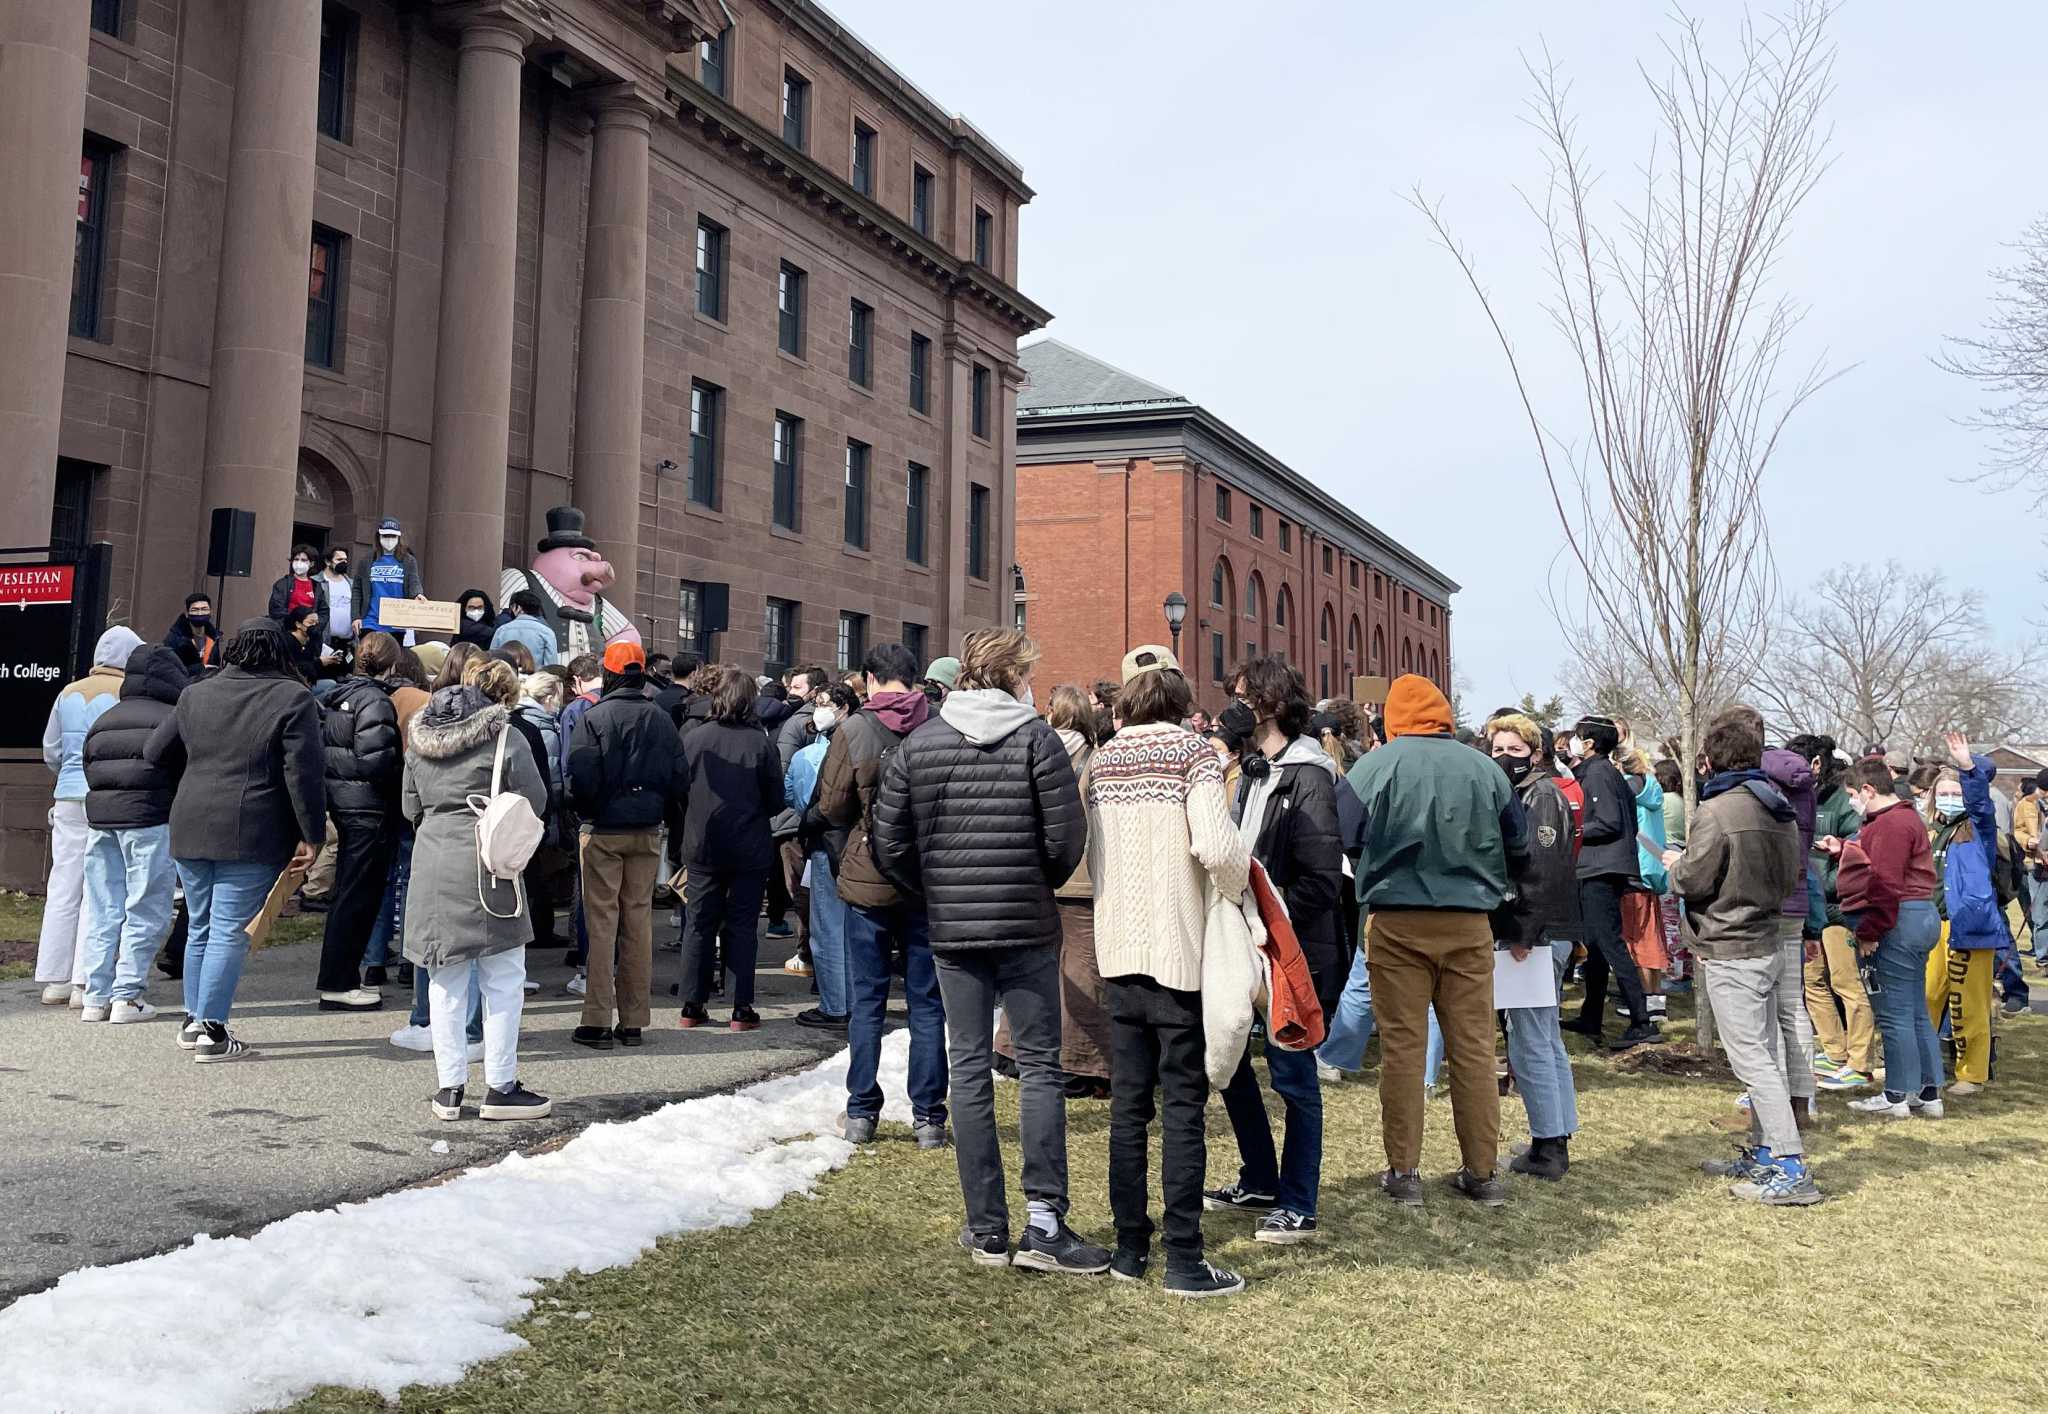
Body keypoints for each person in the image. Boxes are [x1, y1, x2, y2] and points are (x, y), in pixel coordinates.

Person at [870, 627, 1101, 1274]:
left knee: (969, 1066)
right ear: (1015, 676)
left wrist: (936, 889)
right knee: (1038, 1068)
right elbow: (1065, 839)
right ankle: (1045, 1222)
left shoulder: (922, 743)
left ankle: (988, 1227)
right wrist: (1036, 884)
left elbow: (888, 843)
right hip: (1025, 920)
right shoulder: (1036, 739)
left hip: (955, 926)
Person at [1083, 645, 1250, 1297]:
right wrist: (1237, 888)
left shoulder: (1105, 759)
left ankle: (1130, 1247)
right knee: (1182, 1106)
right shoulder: (1193, 753)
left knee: (1129, 1107)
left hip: (1119, 948)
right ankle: (1183, 1257)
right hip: (1179, 950)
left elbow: (1095, 855)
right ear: (1179, 692)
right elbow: (1214, 844)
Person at [1348, 674, 1524, 1208]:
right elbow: (1519, 844)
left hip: (1397, 920)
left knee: (1403, 1048)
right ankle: (1483, 1172)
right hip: (1471, 921)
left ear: (1393, 719)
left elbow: (1342, 833)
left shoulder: (1375, 766)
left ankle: (1403, 1173)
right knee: (1473, 1047)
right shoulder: (1487, 768)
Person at [1202, 656, 1343, 1244]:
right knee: (1230, 1059)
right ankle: (1260, 1175)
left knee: (1293, 1073)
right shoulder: (1255, 770)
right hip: (1246, 938)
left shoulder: (1309, 775)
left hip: (1291, 946)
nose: (1234, 706)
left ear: (1269, 702)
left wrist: (1268, 914)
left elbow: (1320, 879)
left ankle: (1300, 1202)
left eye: (1243, 697)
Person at [146, 619, 325, 1061]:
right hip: (254, 823)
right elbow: (301, 773)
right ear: (281, 652)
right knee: (228, 930)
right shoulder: (292, 696)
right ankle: (213, 1030)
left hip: (190, 818)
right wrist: (312, 834)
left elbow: (155, 752)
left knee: (200, 925)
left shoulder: (195, 692)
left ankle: (195, 1020)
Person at [1666, 713, 1816, 1205]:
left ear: (1709, 761)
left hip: (1733, 944)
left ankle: (1791, 1166)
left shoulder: (1719, 812)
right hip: (1768, 936)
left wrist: (1674, 868)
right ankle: (1767, 1154)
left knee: (1754, 1061)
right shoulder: (1779, 807)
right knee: (1765, 1054)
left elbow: (1692, 881)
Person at [816, 642, 947, 1145]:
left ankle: (861, 1112)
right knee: (927, 1001)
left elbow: (831, 805)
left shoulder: (852, 730)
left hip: (868, 873)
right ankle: (929, 1116)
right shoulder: (938, 726)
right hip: (926, 878)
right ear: (914, 680)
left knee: (868, 999)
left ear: (870, 679)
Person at [401, 680, 550, 1122]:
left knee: (444, 979)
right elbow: (535, 800)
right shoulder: (506, 736)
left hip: (431, 862)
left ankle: (449, 1088)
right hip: (489, 862)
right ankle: (501, 1086)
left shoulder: (418, 743)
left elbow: (411, 808)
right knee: (503, 977)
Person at [994, 685, 1112, 1098]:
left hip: (1035, 873)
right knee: (1083, 967)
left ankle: (1010, 1048)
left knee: (1032, 966)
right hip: (1079, 877)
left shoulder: (1032, 747)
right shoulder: (1093, 759)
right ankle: (1080, 1060)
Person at [566, 641, 685, 1048]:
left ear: (611, 673)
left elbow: (580, 775)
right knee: (637, 921)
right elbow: (679, 779)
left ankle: (596, 1019)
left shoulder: (594, 717)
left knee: (601, 924)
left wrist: (591, 811)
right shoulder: (662, 719)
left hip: (603, 829)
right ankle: (633, 1020)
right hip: (647, 828)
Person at [1484, 711, 1582, 1181]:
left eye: (1514, 750)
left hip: (1536, 933)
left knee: (1530, 1040)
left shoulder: (1541, 797)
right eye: (1497, 749)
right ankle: (1556, 1133)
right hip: (1541, 929)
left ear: (1535, 753)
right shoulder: (1526, 793)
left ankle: (1548, 1146)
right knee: (1545, 1035)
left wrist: (1524, 931)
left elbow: (1541, 869)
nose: (1504, 757)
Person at [76, 643, 188, 1023]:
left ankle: (95, 996)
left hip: (101, 822)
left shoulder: (105, 718)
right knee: (146, 907)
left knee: (103, 909)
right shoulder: (172, 717)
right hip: (150, 820)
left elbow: (85, 763)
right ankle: (128, 996)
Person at [35, 625, 144, 1006]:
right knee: (101, 887)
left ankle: (54, 979)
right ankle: (85, 980)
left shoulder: (68, 692)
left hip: (66, 797)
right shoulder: (126, 694)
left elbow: (52, 750)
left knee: (63, 886)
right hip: (105, 795)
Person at [675, 666, 784, 1031]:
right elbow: (774, 798)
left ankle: (692, 1003)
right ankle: (741, 1006)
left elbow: (678, 788)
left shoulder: (695, 737)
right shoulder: (762, 743)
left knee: (699, 924)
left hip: (703, 841)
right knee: (742, 925)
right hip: (749, 844)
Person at [1834, 759, 1944, 1120]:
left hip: (1898, 920)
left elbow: (1883, 884)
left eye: (1852, 794)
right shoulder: (1907, 817)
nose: (1852, 801)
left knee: (1894, 1014)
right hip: (1921, 915)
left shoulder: (1890, 824)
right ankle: (1928, 1092)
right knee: (1914, 1011)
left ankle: (1896, 1094)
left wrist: (1868, 932)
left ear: (1867, 790)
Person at [312, 630, 404, 1011]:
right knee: (357, 896)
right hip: (368, 806)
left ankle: (340, 976)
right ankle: (340, 980)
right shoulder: (375, 701)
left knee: (350, 893)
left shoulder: (336, 696)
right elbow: (376, 759)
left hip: (342, 799)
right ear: (391, 664)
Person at [1561, 715, 1657, 1049]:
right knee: (1597, 948)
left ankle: (1642, 1021)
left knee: (1611, 945)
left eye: (1578, 736)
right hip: (1597, 869)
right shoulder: (1599, 772)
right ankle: (1591, 1017)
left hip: (1600, 870)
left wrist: (1572, 832)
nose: (1573, 742)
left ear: (1589, 744)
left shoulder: (1600, 774)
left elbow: (1609, 822)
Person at [1792, 734, 1876, 1090]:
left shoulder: (1843, 804)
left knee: (1846, 983)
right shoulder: (1800, 799)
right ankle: (1834, 1049)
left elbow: (1858, 855)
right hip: (1813, 909)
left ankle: (1861, 1062)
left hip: (1840, 909)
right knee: (1813, 982)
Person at [1924, 734, 2003, 1096]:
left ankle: (1972, 1074)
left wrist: (1968, 769)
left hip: (1969, 927)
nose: (1951, 799)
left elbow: (1980, 803)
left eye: (1957, 794)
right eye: (1945, 793)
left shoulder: (1978, 829)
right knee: (1926, 996)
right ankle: (1919, 1064)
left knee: (1966, 1004)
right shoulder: (1933, 831)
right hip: (1932, 926)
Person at [789, 683, 861, 1029]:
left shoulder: (819, 752)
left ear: (844, 708)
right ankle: (852, 1001)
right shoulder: (866, 740)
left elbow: (807, 798)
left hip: (827, 843)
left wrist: (809, 820)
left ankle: (835, 1005)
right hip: (858, 845)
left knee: (828, 929)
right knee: (850, 930)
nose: (819, 710)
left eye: (825, 703)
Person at [1619, 747, 1671, 1022]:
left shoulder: (1628, 789)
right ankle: (1657, 999)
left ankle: (1643, 1001)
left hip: (1633, 868)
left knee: (1634, 938)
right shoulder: (1652, 788)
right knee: (1652, 935)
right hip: (1652, 868)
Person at [353, 517, 424, 637]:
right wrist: (356, 617)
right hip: (370, 622)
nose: (389, 540)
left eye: (393, 536)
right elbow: (357, 590)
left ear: (399, 538)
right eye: (385, 536)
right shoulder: (366, 561)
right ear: (378, 537)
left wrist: (418, 595)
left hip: (397, 623)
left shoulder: (408, 561)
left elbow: (414, 582)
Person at [268, 544, 330, 645]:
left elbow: (324, 612)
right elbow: (276, 610)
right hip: (287, 635)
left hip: (310, 638)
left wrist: (315, 627)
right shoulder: (283, 584)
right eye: (296, 559)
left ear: (311, 563)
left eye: (304, 560)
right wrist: (296, 624)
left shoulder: (317, 587)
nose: (299, 563)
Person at [489, 589, 559, 669]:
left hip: (507, 679)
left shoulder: (501, 631)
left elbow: (492, 661)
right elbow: (551, 667)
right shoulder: (546, 632)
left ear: (517, 607)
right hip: (536, 680)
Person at [163, 594, 219, 675]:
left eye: (204, 609)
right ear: (186, 613)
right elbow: (168, 670)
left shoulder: (214, 637)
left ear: (211, 612)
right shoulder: (174, 639)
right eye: (195, 610)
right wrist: (201, 669)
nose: (200, 613)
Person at [320, 545, 356, 670]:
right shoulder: (317, 582)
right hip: (325, 643)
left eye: (345, 560)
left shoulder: (351, 584)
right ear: (327, 561)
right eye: (339, 560)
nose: (343, 563)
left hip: (347, 643)